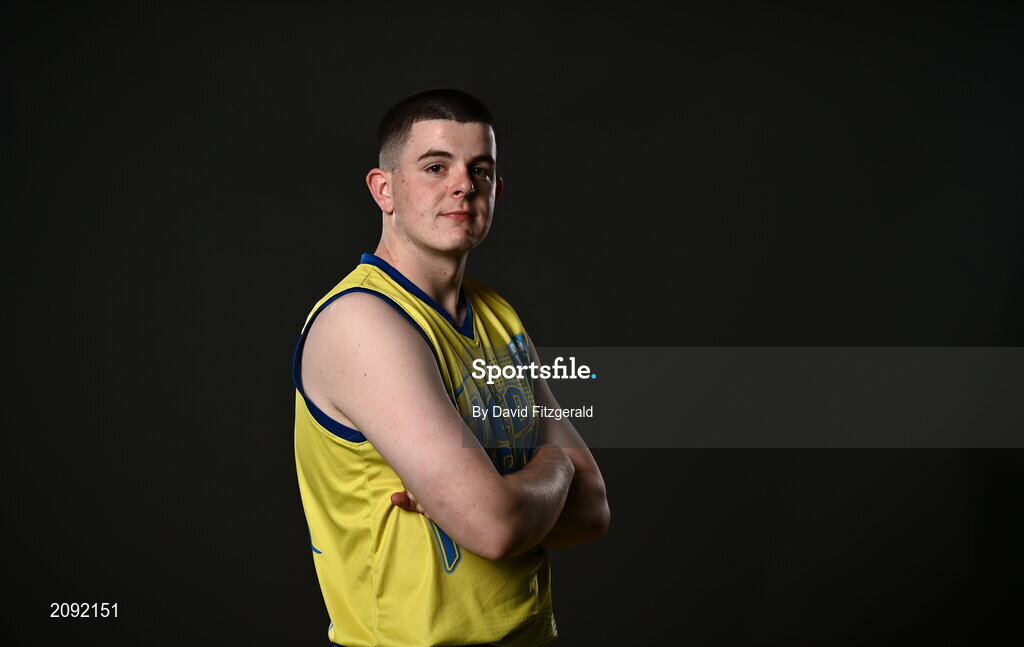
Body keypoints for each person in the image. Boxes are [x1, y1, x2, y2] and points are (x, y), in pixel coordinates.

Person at [292, 88, 609, 647]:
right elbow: (495, 526)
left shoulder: (498, 315)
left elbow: (593, 510)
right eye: (435, 166)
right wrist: (556, 464)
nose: (462, 184)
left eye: (480, 171)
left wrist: (506, 487)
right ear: (383, 189)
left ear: (497, 191)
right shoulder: (362, 323)